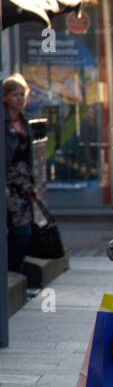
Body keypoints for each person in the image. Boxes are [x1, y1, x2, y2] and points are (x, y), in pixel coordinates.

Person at [4, 74, 37, 273]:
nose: (19, 99)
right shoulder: (3, 120)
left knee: (23, 232)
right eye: (15, 94)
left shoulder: (23, 120)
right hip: (7, 183)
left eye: (22, 94)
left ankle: (14, 272)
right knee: (18, 231)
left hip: (22, 185)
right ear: (5, 97)